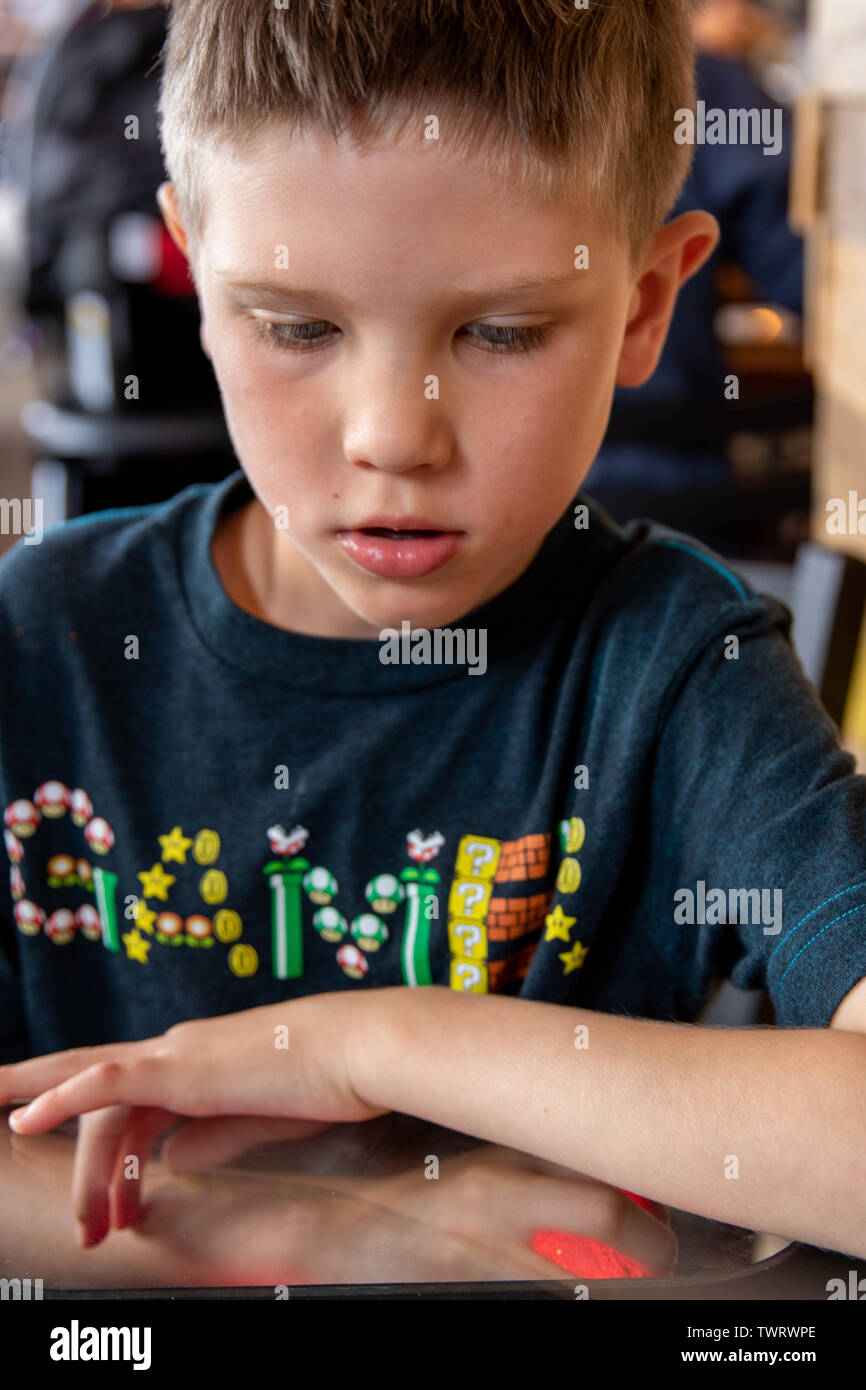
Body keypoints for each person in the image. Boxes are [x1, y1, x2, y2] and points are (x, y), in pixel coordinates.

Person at [1, 0, 866, 1276]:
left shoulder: (677, 672)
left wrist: (366, 1046)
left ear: (643, 304)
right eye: (295, 326)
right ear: (194, 260)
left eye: (499, 332)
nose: (391, 437)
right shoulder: (44, 643)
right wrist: (286, 1233)